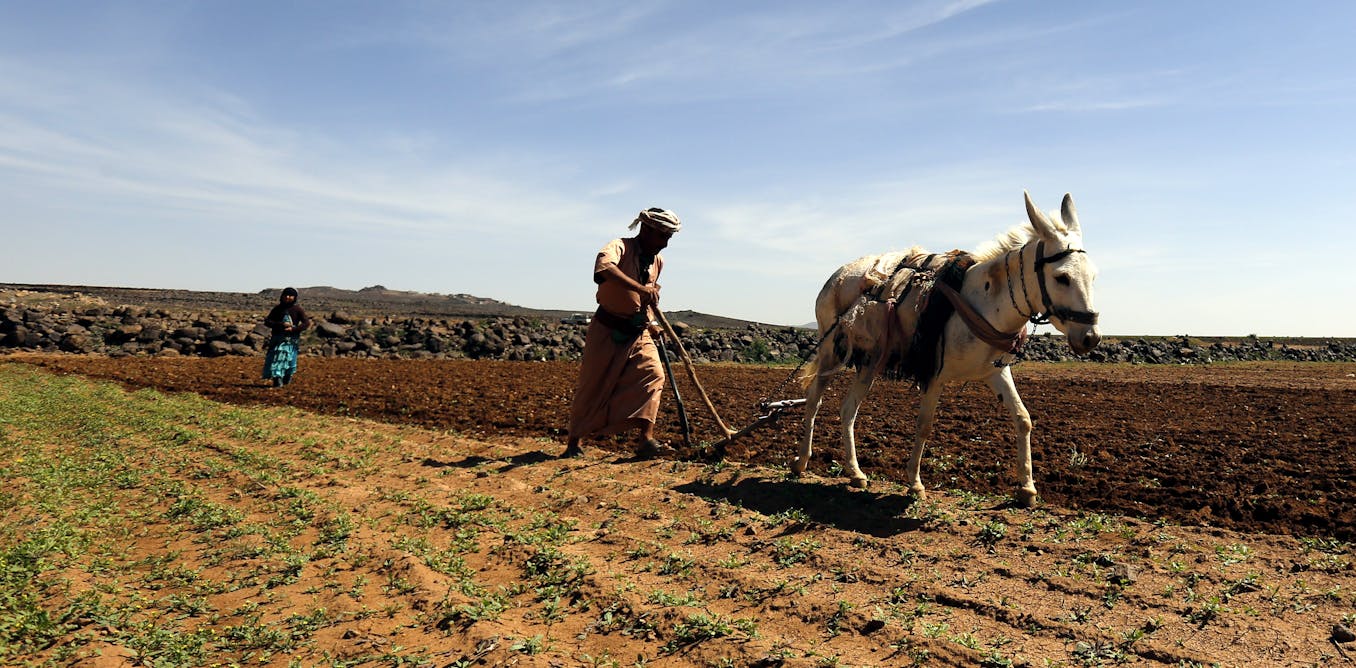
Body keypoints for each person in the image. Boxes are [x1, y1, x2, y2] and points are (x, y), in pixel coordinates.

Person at [562, 207, 681, 459]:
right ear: (647, 230)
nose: (666, 244)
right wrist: (639, 287)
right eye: (663, 237)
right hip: (608, 328)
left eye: (669, 238)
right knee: (592, 384)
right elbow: (604, 268)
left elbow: (646, 298)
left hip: (638, 331)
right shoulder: (619, 246)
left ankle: (645, 440)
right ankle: (574, 441)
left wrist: (651, 324)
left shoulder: (657, 261)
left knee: (653, 375)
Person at [262, 287, 312, 388]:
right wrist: (280, 325)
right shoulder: (277, 309)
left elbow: (306, 323)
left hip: (291, 341)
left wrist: (294, 329)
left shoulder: (298, 309)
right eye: (286, 295)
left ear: (295, 297)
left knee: (290, 361)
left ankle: (287, 378)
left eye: (290, 295)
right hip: (278, 339)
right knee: (277, 359)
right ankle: (277, 380)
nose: (288, 297)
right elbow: (267, 321)